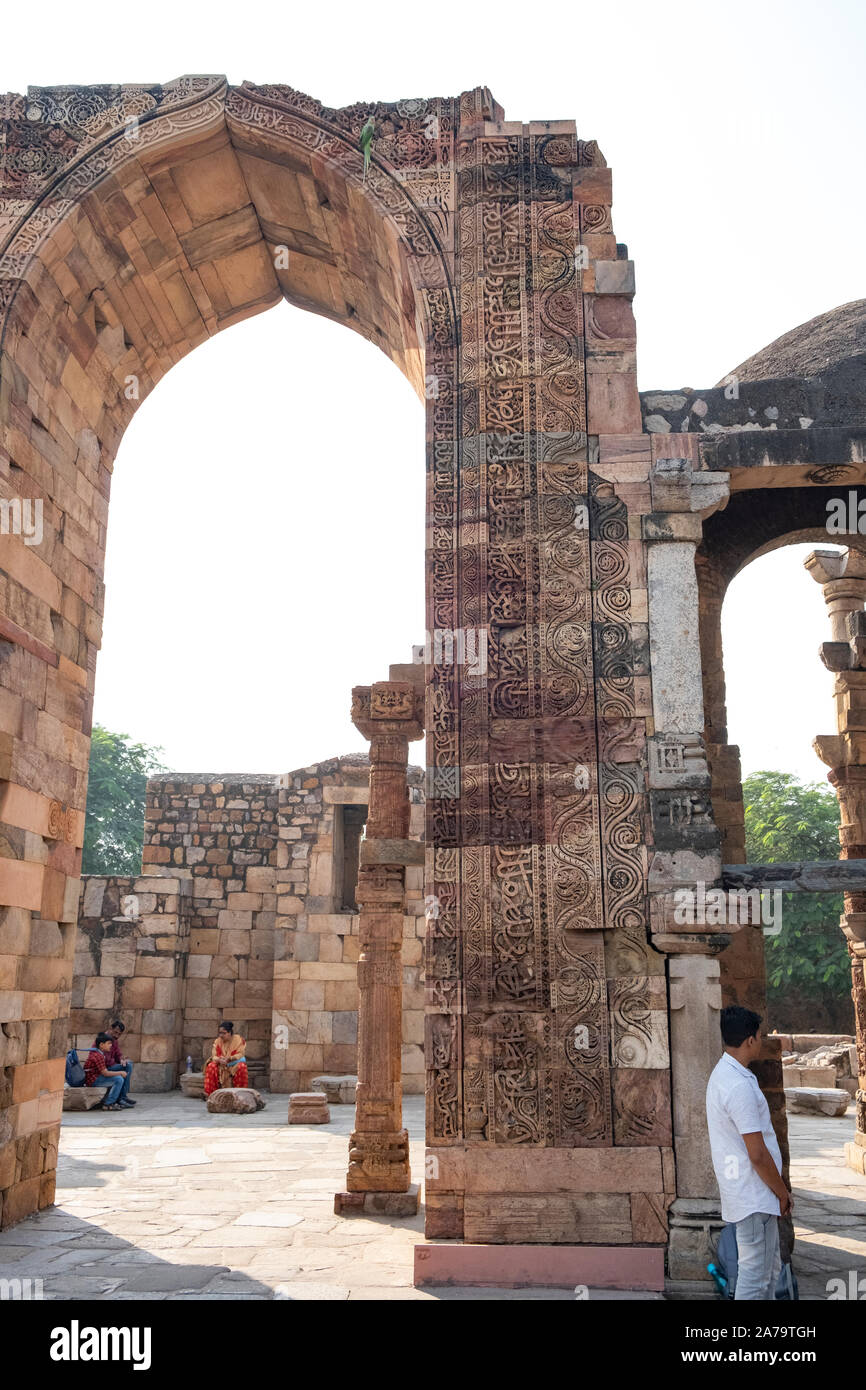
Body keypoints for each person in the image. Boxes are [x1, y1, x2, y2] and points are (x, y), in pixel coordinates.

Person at [706, 1005, 793, 1300]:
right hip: (754, 1193)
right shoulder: (736, 1085)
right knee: (755, 1277)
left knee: (768, 1272)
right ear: (750, 1041)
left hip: (750, 1193)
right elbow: (756, 1153)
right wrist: (781, 1192)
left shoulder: (727, 1075)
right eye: (759, 1034)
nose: (761, 1039)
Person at [84, 1033, 134, 1110]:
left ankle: (118, 1099)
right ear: (101, 1045)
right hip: (93, 1080)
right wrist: (120, 1073)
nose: (111, 1045)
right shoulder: (98, 1055)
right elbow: (105, 1073)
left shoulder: (99, 1053)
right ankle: (108, 1104)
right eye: (108, 1043)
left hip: (97, 1076)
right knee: (118, 1079)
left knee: (119, 1077)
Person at [203, 1021, 248, 1097]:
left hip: (233, 1064)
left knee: (242, 1066)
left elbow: (241, 1054)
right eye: (220, 1033)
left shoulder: (239, 1040)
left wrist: (230, 1058)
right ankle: (210, 1095)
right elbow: (214, 1056)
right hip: (221, 1065)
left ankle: (240, 1095)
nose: (221, 1035)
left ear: (230, 1033)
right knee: (211, 1066)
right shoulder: (217, 1041)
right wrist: (219, 1060)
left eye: (223, 1033)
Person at [106, 1020, 136, 1107]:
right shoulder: (104, 1039)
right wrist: (117, 1062)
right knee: (127, 1067)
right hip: (104, 1068)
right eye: (115, 1032)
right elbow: (106, 1060)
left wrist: (121, 1060)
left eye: (119, 1034)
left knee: (128, 1063)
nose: (116, 1035)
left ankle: (123, 1096)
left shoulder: (114, 1040)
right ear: (110, 1029)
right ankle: (121, 1098)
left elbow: (118, 1054)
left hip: (111, 1065)